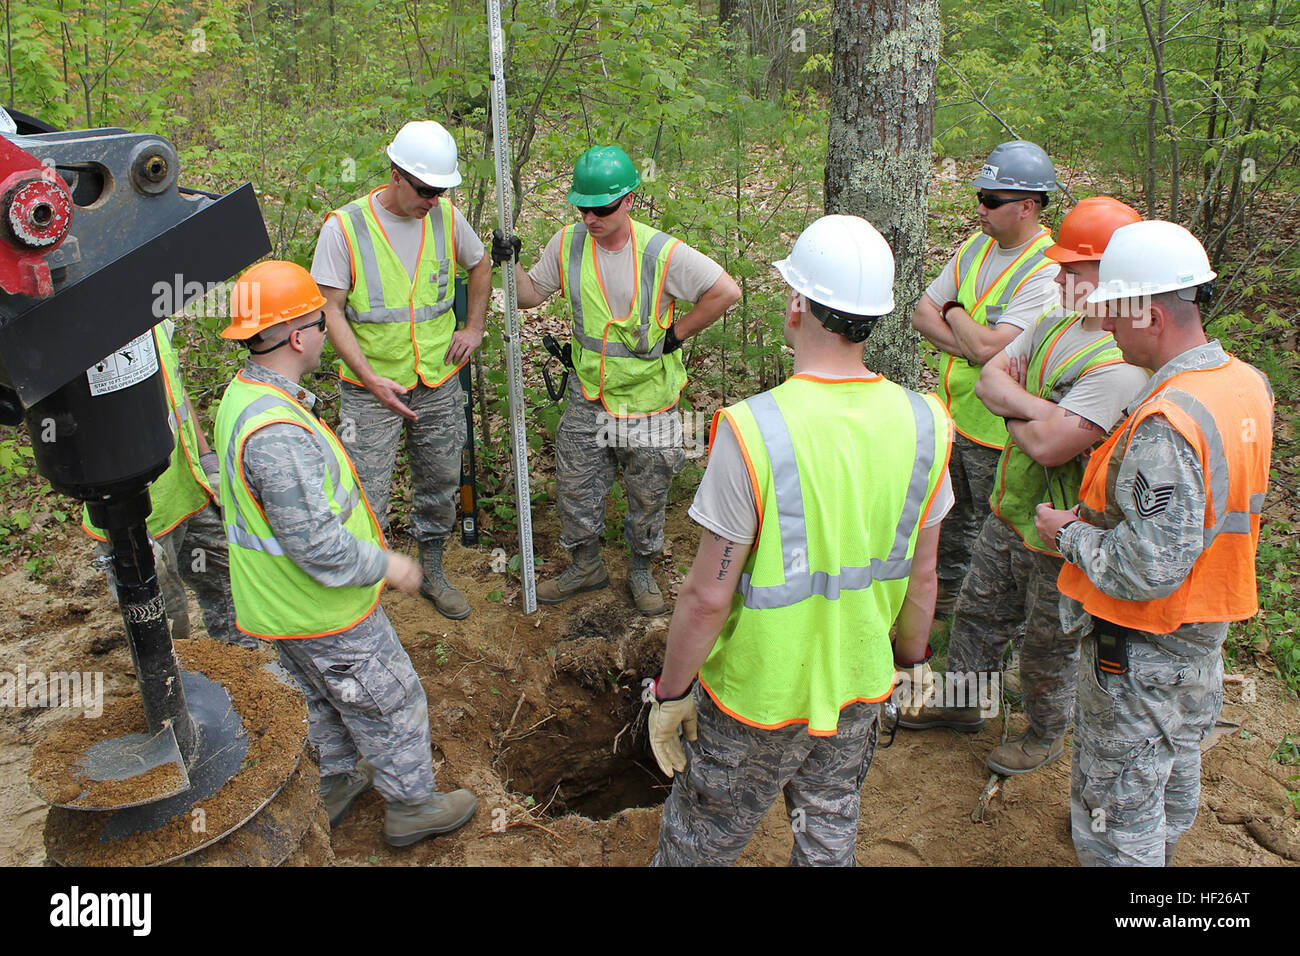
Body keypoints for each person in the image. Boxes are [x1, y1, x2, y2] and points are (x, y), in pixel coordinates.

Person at [645, 216, 953, 866]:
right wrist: (912, 658)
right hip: (858, 683)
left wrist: (670, 693)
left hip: (757, 696)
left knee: (700, 843)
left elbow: (707, 596)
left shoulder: (752, 430)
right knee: (828, 830)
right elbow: (923, 575)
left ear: (796, 304)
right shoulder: (927, 422)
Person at [1034, 221, 1273, 866]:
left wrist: (1069, 534)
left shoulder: (1168, 419)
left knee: (1118, 810)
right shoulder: (1244, 384)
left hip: (1141, 641)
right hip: (1203, 628)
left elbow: (1148, 567)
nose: (1107, 326)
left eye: (1116, 312)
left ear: (1153, 316)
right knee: (1173, 760)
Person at [215, 260, 478, 846]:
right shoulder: (279, 434)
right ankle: (412, 806)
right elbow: (319, 547)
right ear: (298, 337)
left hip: (279, 608)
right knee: (390, 700)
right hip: (322, 609)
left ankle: (335, 782)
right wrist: (390, 565)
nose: (327, 331)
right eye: (320, 322)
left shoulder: (244, 396)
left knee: (321, 696)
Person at [900, 198, 1149, 776]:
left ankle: (1044, 735)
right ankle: (962, 704)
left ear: (1113, 275)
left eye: (1072, 270)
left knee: (1046, 644)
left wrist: (1030, 415)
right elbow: (989, 380)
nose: (1057, 277)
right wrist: (1044, 410)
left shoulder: (1121, 361)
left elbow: (1049, 447)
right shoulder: (1056, 319)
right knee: (979, 613)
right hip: (1012, 508)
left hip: (1065, 531)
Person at [498, 145, 740, 615]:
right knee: (575, 487)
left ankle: (642, 569)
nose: (590, 218)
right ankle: (585, 566)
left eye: (602, 209)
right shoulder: (568, 243)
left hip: (648, 400)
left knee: (648, 493)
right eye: (582, 209)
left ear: (629, 200)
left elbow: (725, 291)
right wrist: (510, 265)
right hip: (588, 395)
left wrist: (676, 335)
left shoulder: (660, 252)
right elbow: (528, 297)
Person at [311, 119, 490, 620]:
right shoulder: (344, 228)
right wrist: (369, 378)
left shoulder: (447, 218)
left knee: (440, 481)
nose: (433, 200)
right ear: (395, 175)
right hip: (370, 391)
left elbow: (479, 264)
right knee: (363, 492)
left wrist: (473, 328)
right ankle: (365, 587)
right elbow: (329, 310)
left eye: (441, 191)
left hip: (437, 381)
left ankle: (431, 568)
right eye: (425, 190)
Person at [912, 140, 1062, 613]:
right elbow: (921, 314)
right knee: (948, 526)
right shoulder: (976, 246)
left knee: (995, 538)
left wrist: (953, 311)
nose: (980, 208)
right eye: (980, 196)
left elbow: (986, 347)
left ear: (1027, 207)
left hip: (1000, 433)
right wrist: (973, 339)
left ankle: (996, 628)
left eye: (992, 200)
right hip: (953, 418)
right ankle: (942, 616)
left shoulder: (1047, 268)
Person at [81, 318, 249, 648]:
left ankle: (244, 665)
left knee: (231, 586)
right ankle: (173, 678)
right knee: (165, 621)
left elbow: (175, 389)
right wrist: (122, 527)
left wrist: (206, 459)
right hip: (142, 517)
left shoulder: (145, 316)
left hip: (190, 492)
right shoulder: (82, 333)